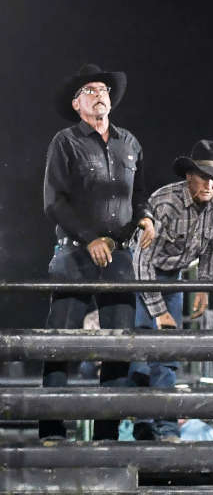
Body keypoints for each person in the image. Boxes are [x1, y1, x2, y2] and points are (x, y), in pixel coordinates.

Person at [40, 63, 154, 440]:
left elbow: (139, 193)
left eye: (103, 88)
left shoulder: (130, 143)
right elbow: (54, 202)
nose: (99, 93)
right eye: (90, 89)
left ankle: (106, 434)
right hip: (74, 251)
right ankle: (52, 428)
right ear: (77, 104)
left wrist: (146, 217)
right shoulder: (65, 141)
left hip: (119, 254)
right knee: (61, 340)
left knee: (119, 343)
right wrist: (90, 237)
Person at [129, 140, 213, 440]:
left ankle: (162, 428)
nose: (210, 183)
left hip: (174, 276)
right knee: (144, 351)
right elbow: (141, 259)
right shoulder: (166, 202)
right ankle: (144, 426)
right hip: (141, 275)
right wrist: (159, 310)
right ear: (189, 175)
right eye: (204, 175)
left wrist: (203, 285)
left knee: (166, 352)